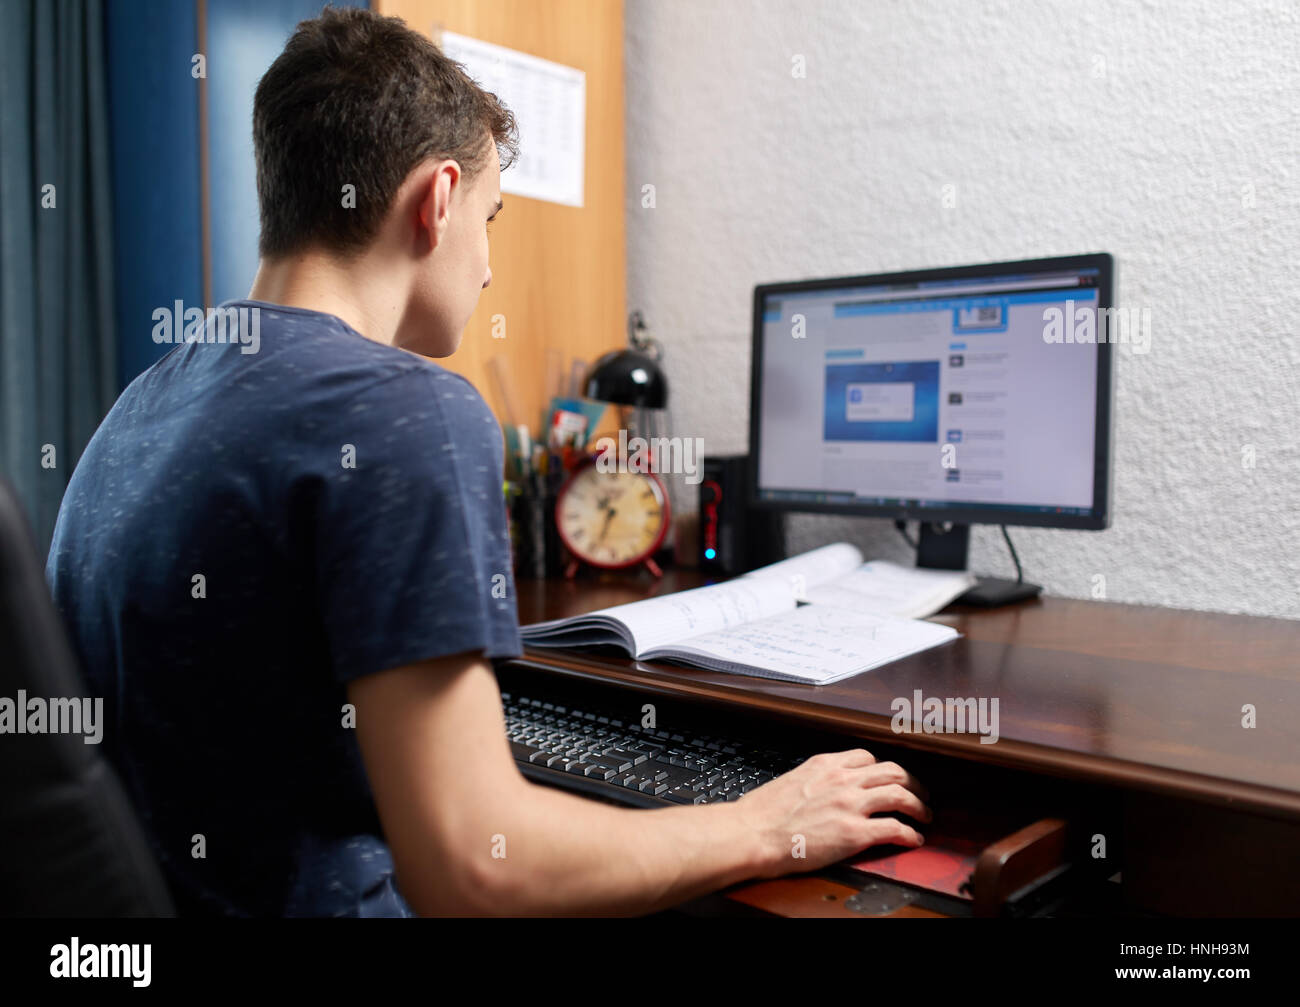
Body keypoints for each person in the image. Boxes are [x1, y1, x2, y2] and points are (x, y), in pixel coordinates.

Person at [46, 6, 929, 917]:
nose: (491, 268)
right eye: (492, 218)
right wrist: (763, 821)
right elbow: (477, 866)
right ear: (436, 199)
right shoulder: (401, 405)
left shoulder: (138, 403)